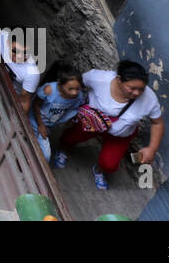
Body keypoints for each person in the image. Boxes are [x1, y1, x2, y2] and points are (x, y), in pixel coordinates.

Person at [57, 60, 163, 189]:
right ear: (119, 80)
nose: (136, 93)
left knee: (110, 164)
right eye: (132, 88)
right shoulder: (99, 79)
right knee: (70, 137)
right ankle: (63, 151)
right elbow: (76, 84)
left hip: (121, 134)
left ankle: (99, 171)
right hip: (93, 122)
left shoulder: (149, 99)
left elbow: (157, 123)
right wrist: (70, 108)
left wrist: (152, 149)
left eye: (141, 89)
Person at [30, 60, 85, 164]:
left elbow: (72, 109)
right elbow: (35, 105)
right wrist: (41, 125)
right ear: (60, 84)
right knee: (45, 156)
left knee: (43, 153)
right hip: (36, 120)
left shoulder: (78, 96)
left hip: (49, 124)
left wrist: (67, 121)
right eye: (70, 89)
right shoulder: (49, 90)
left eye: (77, 89)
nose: (74, 92)